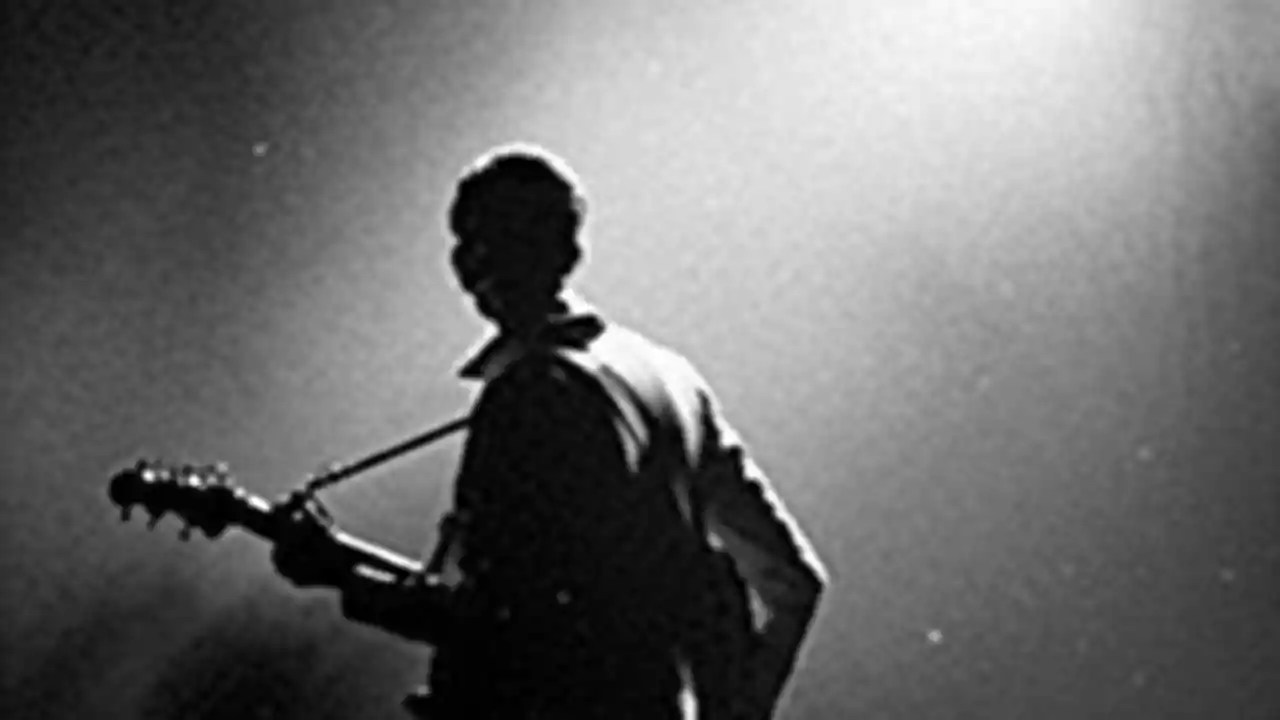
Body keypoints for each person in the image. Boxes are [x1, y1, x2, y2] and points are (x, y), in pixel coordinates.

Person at [271, 143, 827, 719]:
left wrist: (338, 575)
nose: (474, 264)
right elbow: (795, 582)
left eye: (491, 241)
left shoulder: (531, 392)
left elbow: (497, 624)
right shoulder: (672, 379)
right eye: (468, 242)